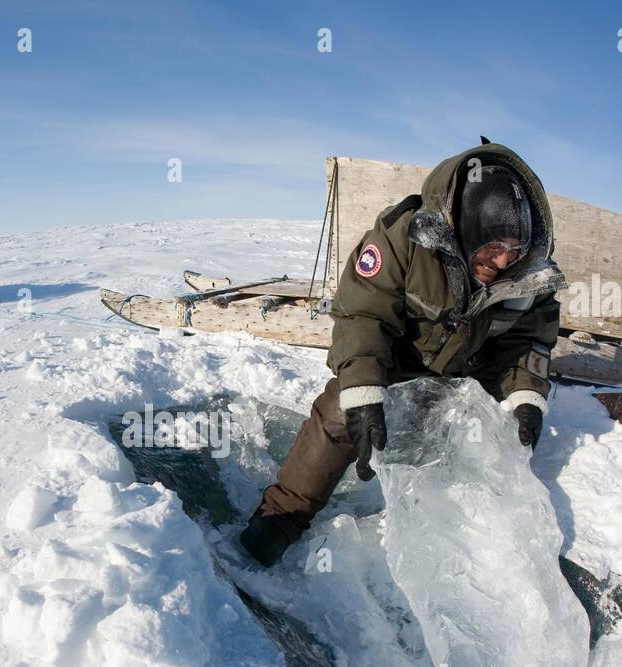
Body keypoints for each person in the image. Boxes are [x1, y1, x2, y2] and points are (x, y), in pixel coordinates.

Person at [240, 141, 567, 568]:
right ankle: (282, 515)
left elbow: (529, 342)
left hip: (467, 376)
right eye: (492, 247)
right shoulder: (403, 239)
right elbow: (362, 315)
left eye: (514, 249)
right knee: (342, 411)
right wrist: (364, 393)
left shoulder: (528, 274)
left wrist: (525, 398)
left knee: (491, 439)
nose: (503, 261)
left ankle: (471, 547)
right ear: (466, 228)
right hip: (397, 362)